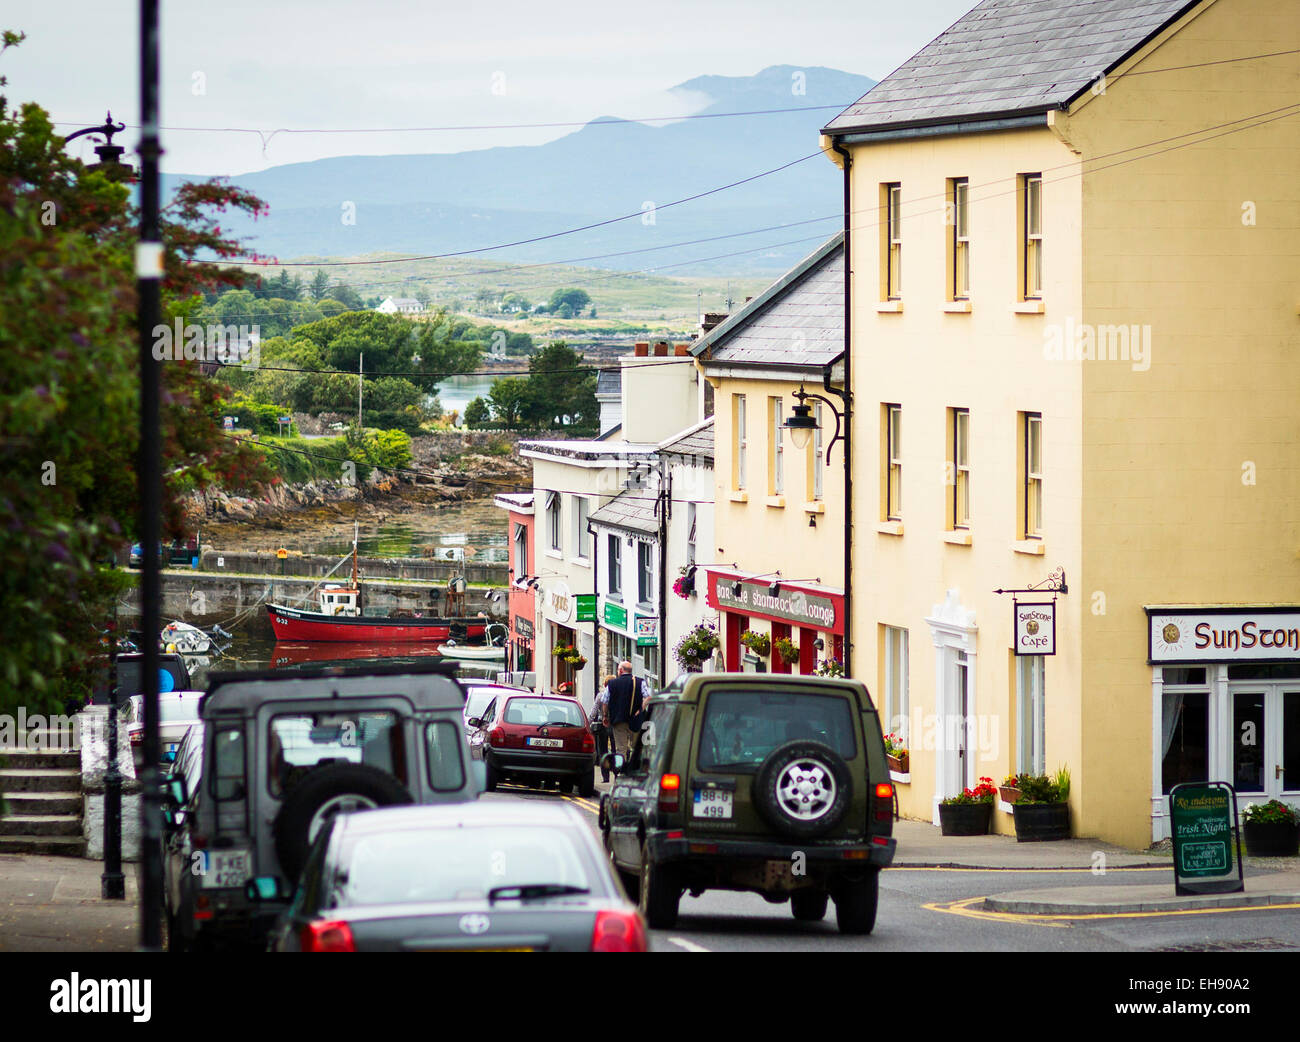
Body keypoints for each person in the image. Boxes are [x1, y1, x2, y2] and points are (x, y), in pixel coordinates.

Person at [605, 661, 644, 759]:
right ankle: (634, 770)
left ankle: (621, 770)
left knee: (620, 749)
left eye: (618, 670)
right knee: (636, 748)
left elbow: (604, 701)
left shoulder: (612, 683)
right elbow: (648, 697)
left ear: (621, 671)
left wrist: (605, 716)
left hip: (618, 721)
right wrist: (641, 709)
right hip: (635, 720)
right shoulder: (640, 682)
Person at [592, 674, 615, 780]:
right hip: (615, 724)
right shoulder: (617, 695)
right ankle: (616, 773)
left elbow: (593, 712)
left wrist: (587, 724)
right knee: (615, 750)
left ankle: (605, 777)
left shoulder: (600, 696)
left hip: (602, 725)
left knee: (603, 751)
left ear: (605, 684)